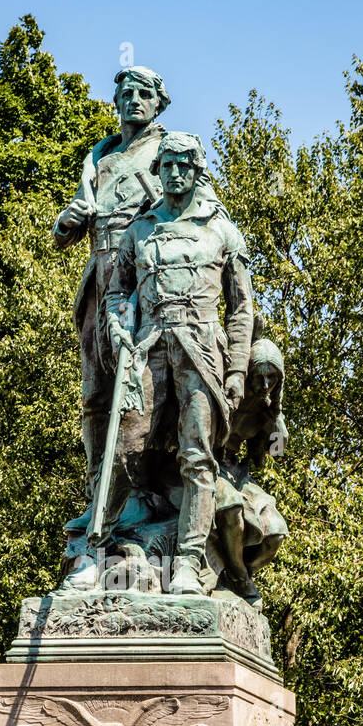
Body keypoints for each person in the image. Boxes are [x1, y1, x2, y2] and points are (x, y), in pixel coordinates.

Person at [104, 132, 254, 595]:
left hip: (202, 352)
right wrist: (117, 332)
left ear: (196, 171)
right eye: (167, 164)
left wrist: (236, 372)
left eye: (183, 165)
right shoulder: (140, 229)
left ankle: (189, 561)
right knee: (125, 448)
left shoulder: (222, 230)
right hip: (148, 348)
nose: (174, 173)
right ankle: (101, 548)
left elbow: (242, 308)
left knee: (197, 456)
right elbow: (114, 292)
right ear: (160, 169)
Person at [53, 66, 170, 524]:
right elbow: (66, 235)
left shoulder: (168, 153)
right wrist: (67, 221)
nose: (134, 101)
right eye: (125, 93)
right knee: (95, 396)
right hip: (98, 282)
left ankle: (135, 494)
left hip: (142, 284)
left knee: (136, 391)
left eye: (144, 94)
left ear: (159, 103)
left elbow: (197, 215)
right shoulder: (99, 158)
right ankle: (94, 496)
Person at [212, 327, 289, 606]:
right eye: (260, 376)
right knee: (231, 507)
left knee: (276, 532)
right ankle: (239, 578)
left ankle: (240, 573)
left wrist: (277, 429)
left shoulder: (265, 410)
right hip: (209, 465)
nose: (265, 384)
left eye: (272, 378)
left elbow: (270, 456)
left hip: (237, 471)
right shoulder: (227, 393)